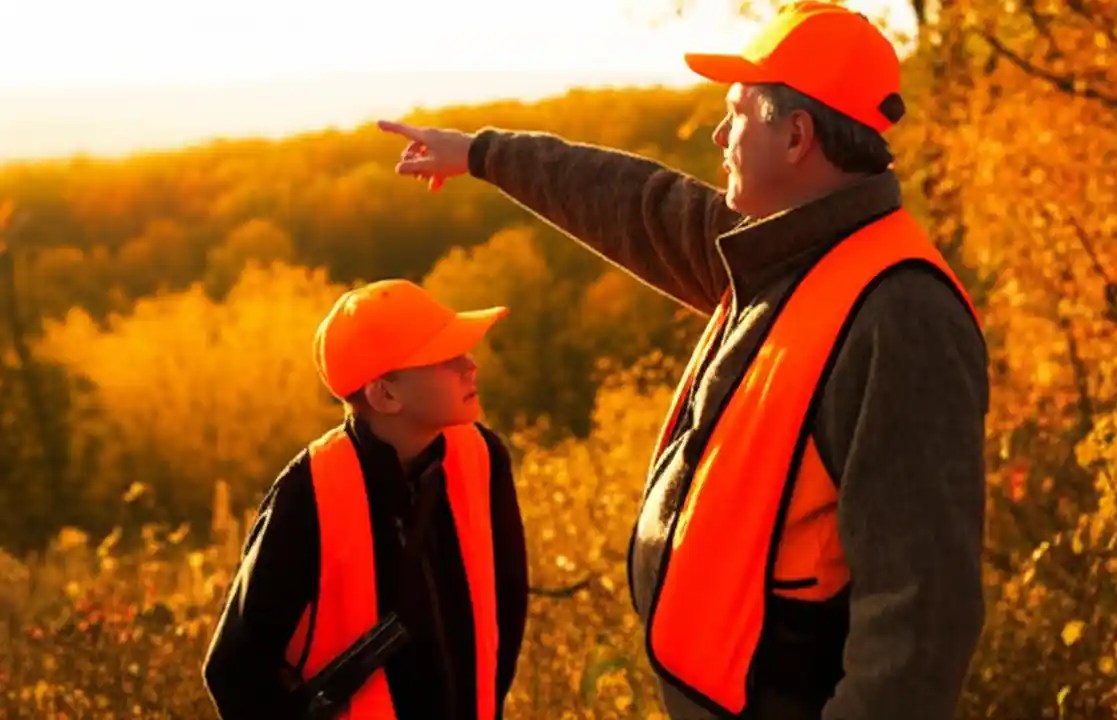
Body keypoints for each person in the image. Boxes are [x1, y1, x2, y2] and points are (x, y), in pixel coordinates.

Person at [378, 2, 989, 717]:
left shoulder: (901, 313)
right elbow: (635, 204)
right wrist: (483, 154)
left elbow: (920, 622)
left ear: (796, 135)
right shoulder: (782, 253)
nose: (718, 134)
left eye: (736, 114)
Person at [202, 279, 529, 719]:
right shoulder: (308, 494)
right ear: (385, 394)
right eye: (446, 358)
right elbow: (235, 671)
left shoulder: (485, 457)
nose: (470, 365)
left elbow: (507, 615)